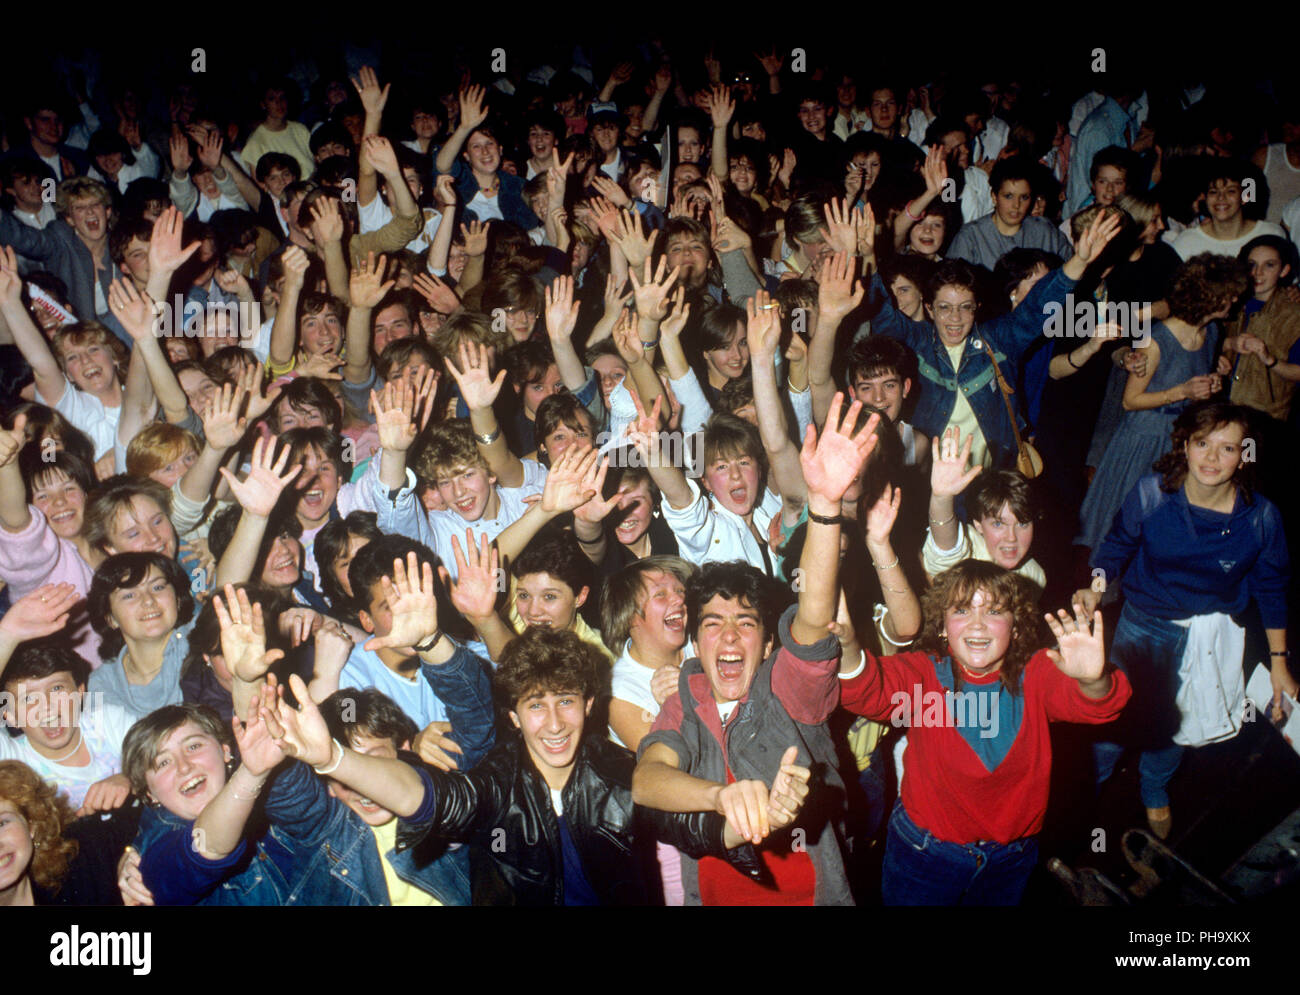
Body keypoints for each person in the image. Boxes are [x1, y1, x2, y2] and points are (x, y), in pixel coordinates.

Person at [632, 394, 878, 905]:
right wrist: (721, 798)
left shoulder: (788, 689)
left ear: (768, 643)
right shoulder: (687, 699)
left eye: (745, 624)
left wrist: (826, 507)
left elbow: (812, 616)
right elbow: (647, 780)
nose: (727, 638)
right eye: (713, 624)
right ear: (695, 641)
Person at [839, 560, 1131, 904]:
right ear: (944, 625)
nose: (977, 624)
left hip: (1011, 858)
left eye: (994, 611)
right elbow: (867, 690)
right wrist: (845, 646)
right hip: (925, 854)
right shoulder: (924, 672)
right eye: (962, 610)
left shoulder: (1036, 672)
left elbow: (1098, 705)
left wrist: (1092, 679)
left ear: (1016, 627)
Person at [1076, 402, 1293, 838]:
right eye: (1202, 444)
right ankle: (1084, 795)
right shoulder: (1153, 493)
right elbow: (1116, 546)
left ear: (1245, 454)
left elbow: (1272, 589)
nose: (1211, 459)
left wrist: (1280, 664)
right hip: (1144, 622)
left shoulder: (1262, 517)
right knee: (1114, 717)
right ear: (1185, 445)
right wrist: (1095, 586)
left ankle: (1154, 787)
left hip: (1211, 636)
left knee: (1182, 722)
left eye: (1227, 448)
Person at [1078, 254, 1249, 553]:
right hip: (1143, 439)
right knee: (1124, 522)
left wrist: (1210, 384)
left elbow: (1195, 385)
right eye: (1229, 295)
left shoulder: (1210, 332)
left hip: (1180, 438)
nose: (1234, 300)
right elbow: (1130, 401)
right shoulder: (1155, 340)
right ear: (1210, 298)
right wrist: (1181, 391)